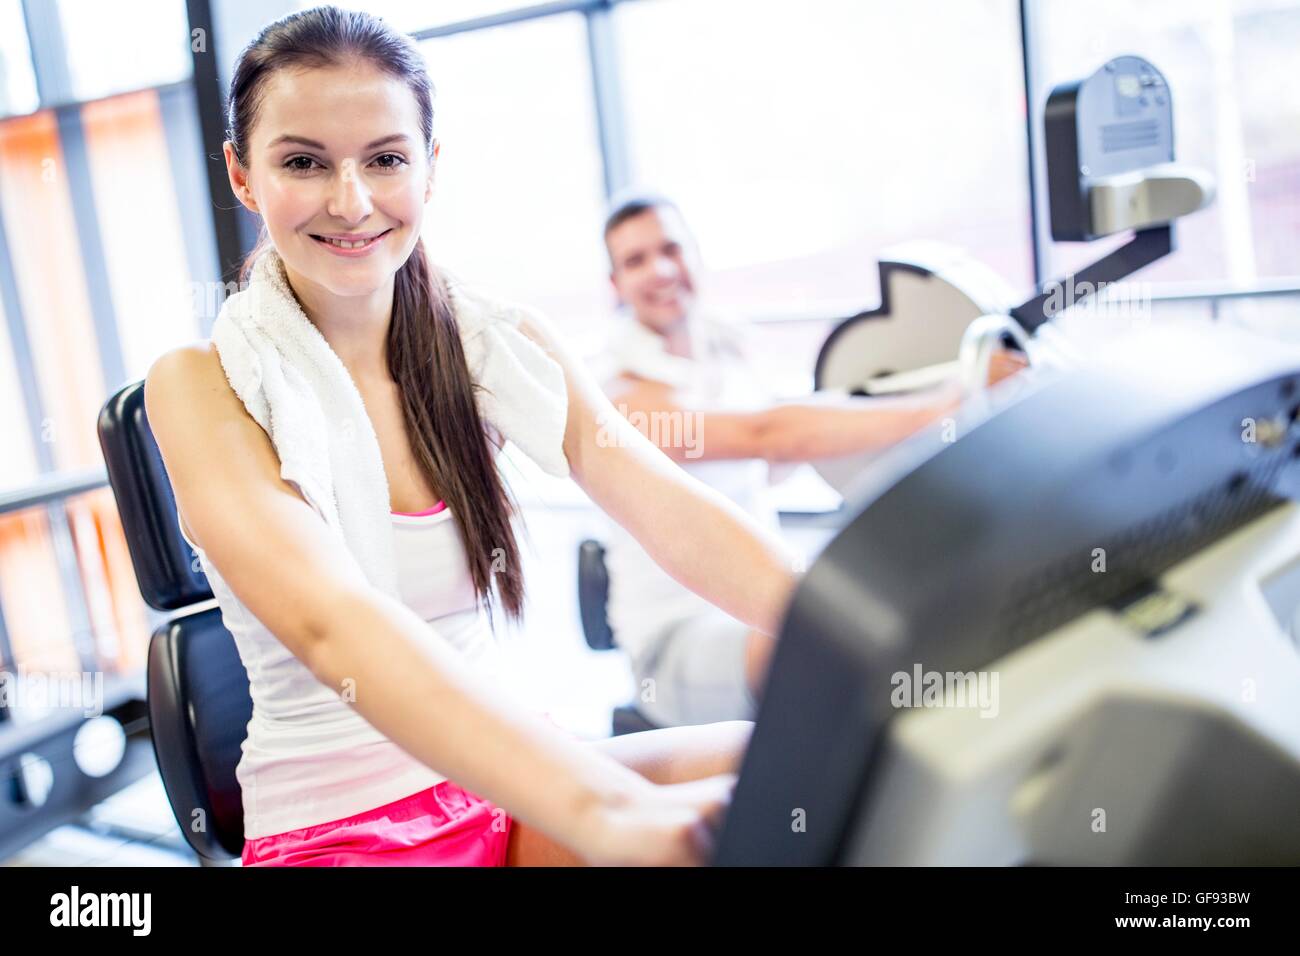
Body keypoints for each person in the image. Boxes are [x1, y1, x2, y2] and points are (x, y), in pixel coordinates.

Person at [143, 7, 797, 867]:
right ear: (241, 173)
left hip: (509, 774)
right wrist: (602, 817)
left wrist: (859, 636)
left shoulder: (495, 341)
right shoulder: (199, 385)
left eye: (385, 159)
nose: (352, 202)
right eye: (303, 162)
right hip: (345, 826)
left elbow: (659, 499)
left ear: (430, 166)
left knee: (811, 767)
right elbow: (336, 623)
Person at [596, 192, 1026, 727]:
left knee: (886, 594)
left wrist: (913, 396)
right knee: (812, 640)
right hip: (675, 642)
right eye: (636, 261)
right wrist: (949, 399)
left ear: (695, 256)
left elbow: (790, 441)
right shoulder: (622, 398)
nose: (660, 269)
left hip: (750, 601)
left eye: (671, 248)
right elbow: (768, 434)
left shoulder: (727, 358)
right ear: (616, 285)